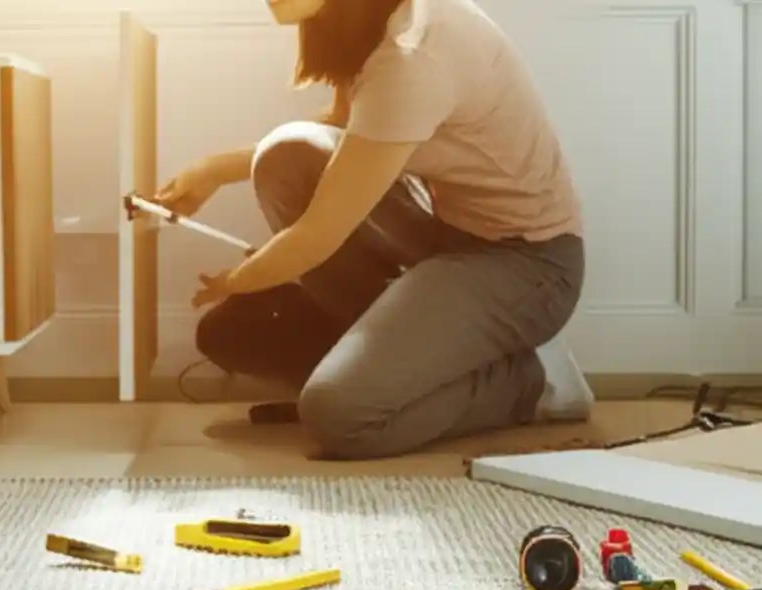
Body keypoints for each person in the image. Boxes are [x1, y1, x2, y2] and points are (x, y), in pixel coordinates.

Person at [155, 0, 595, 460]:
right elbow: (351, 128)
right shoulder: (361, 19)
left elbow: (317, 236)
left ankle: (532, 380)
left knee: (340, 415)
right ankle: (407, 360)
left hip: (525, 264)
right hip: (446, 232)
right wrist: (212, 170)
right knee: (284, 159)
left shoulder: (414, 52)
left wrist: (236, 280)